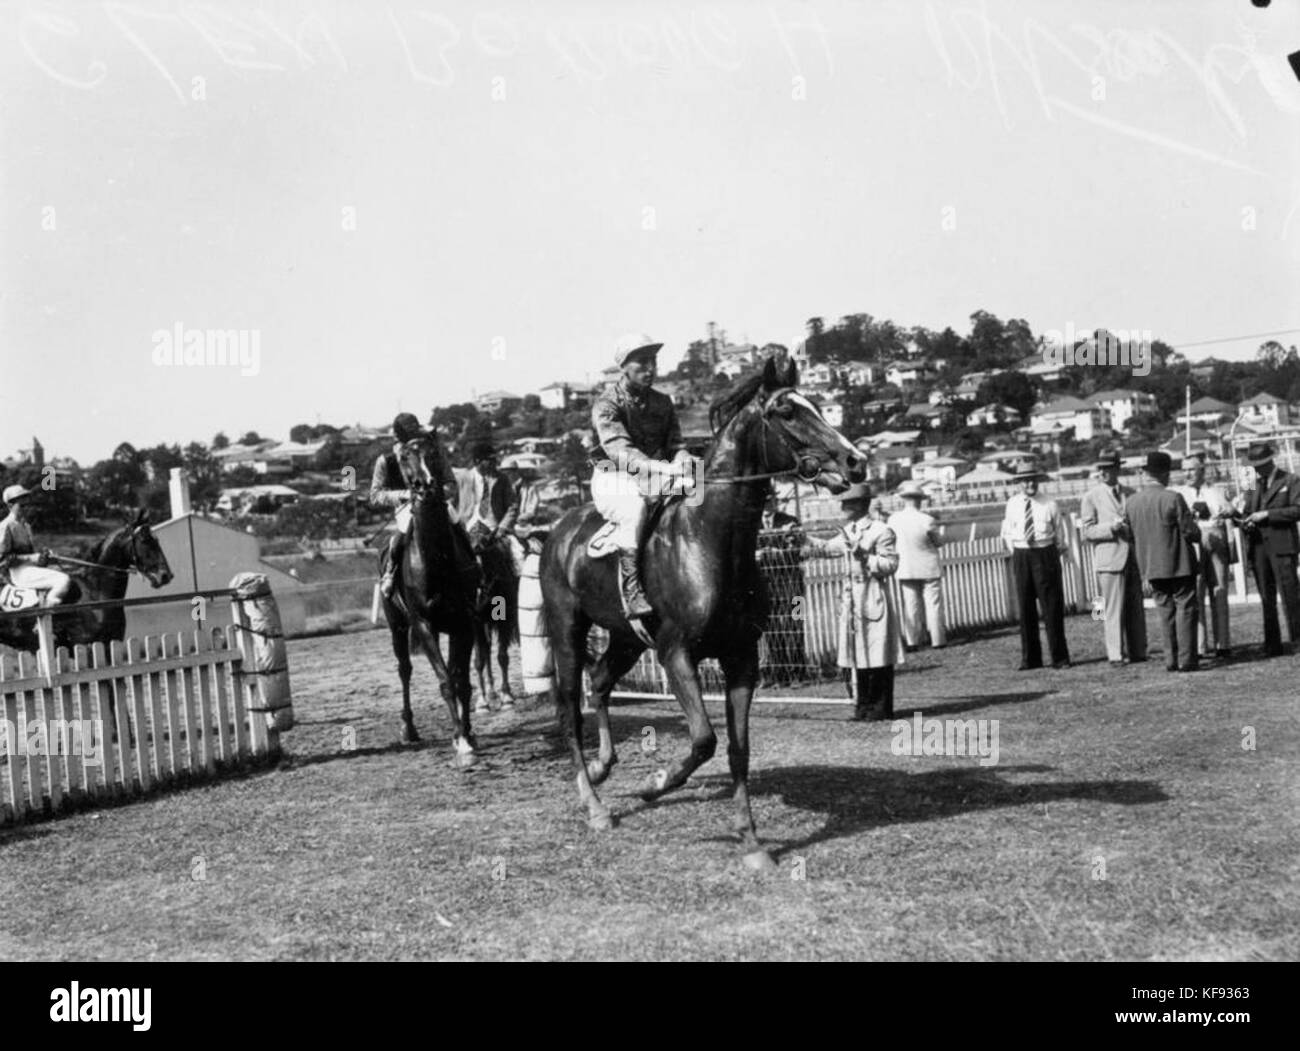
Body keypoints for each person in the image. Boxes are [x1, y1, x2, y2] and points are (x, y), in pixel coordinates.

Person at [590, 333, 696, 624]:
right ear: (624, 366)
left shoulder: (663, 402)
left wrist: (684, 460)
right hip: (613, 477)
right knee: (634, 509)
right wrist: (666, 469)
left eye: (654, 361)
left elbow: (676, 445)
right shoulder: (606, 404)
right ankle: (632, 588)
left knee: (700, 494)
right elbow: (621, 453)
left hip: (658, 475)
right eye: (642, 363)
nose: (650, 369)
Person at [805, 482, 903, 720]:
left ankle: (880, 707)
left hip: (872, 595)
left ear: (861, 504)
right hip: (851, 599)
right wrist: (804, 538)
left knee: (877, 654)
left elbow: (890, 565)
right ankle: (862, 705)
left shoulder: (881, 530)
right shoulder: (847, 531)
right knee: (854, 653)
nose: (843, 506)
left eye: (847, 503)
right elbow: (828, 549)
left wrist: (866, 557)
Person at [1124, 452, 1202, 672]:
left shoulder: (1132, 502)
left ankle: (1171, 659)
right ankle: (1187, 659)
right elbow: (1190, 532)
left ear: (1146, 473)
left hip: (1152, 567)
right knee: (1185, 611)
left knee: (1165, 613)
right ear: (1165, 474)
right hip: (1179, 565)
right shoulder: (1173, 498)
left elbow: (1130, 537)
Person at [370, 412, 458, 598]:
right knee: (401, 534)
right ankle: (391, 573)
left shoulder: (432, 452)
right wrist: (404, 494)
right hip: (407, 507)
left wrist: (440, 492)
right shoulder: (386, 460)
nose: (415, 440)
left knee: (458, 523)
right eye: (410, 436)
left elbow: (451, 482)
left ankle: (472, 568)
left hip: (436, 502)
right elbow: (376, 495)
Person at [1000, 464, 1071, 670]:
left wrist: (1053, 555)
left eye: (1033, 479)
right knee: (1025, 607)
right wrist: (1017, 552)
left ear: (1038, 481)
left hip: (1045, 552)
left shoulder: (1050, 503)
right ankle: (1031, 659)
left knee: (1052, 607)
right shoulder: (1012, 504)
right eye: (1025, 480)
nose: (1029, 483)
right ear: (1019, 483)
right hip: (1022, 554)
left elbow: (1059, 533)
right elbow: (1006, 532)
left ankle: (1060, 657)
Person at [1079, 453, 1146, 666]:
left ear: (1118, 469)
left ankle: (1138, 651)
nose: (1105, 472)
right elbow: (1087, 531)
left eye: (1109, 467)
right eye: (1102, 468)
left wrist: (1130, 529)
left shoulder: (1131, 494)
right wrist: (1111, 528)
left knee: (1135, 607)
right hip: (1109, 560)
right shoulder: (1091, 497)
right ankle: (1116, 654)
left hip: (1131, 557)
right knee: (1111, 608)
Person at [1234, 442, 1300, 657]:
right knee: (1266, 596)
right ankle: (1272, 644)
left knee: (1290, 594)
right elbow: (1246, 507)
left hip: (1282, 545)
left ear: (1270, 461)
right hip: (1258, 545)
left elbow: (1296, 510)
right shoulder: (1251, 482)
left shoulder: (1290, 480)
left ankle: (1297, 640)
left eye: (1260, 465)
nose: (1257, 469)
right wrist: (1243, 516)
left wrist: (1267, 515)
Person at [1173, 455, 1233, 659]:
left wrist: (1228, 511)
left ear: (1202, 470)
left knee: (1220, 592)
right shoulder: (1178, 494)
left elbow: (1229, 516)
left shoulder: (1216, 491)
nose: (1187, 473)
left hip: (1216, 545)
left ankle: (1222, 643)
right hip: (1193, 547)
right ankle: (1199, 645)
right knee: (1195, 596)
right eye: (1184, 469)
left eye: (1191, 469)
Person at [756, 489, 809, 685]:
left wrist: (772, 553)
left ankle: (798, 672)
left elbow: (796, 550)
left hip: (794, 585)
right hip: (766, 586)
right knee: (772, 630)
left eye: (771, 500)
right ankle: (780, 674)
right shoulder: (752, 523)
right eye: (764, 501)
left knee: (796, 625)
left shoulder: (790, 521)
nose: (768, 505)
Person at [887, 481, 946, 651]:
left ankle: (912, 641)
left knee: (910, 605)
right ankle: (938, 640)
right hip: (928, 566)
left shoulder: (893, 519)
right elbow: (938, 542)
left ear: (903, 499)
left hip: (906, 567)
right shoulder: (927, 520)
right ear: (919, 500)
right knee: (933, 605)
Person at [0, 485, 73, 605]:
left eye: (27, 505)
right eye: (21, 506)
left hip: (31, 569)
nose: (26, 509)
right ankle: (46, 616)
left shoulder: (26, 526)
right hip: (18, 573)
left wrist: (45, 557)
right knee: (63, 580)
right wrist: (31, 558)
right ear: (10, 506)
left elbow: (33, 554)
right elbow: (2, 560)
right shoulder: (5, 526)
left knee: (64, 573)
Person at [453, 440, 520, 550]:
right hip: (467, 530)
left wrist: (502, 527)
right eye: (490, 460)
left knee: (517, 554)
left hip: (495, 530)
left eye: (495, 459)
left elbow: (512, 506)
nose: (495, 463)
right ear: (477, 461)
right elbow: (452, 504)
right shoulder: (463, 478)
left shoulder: (501, 479)